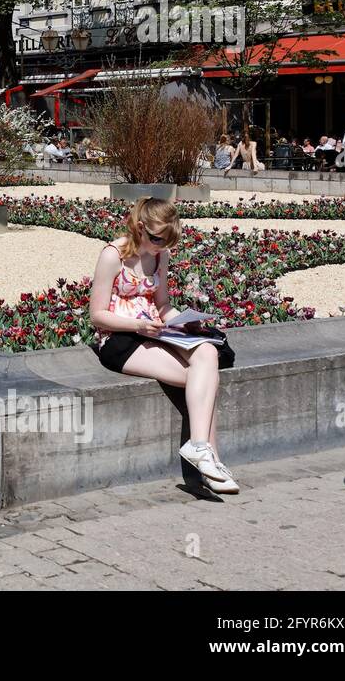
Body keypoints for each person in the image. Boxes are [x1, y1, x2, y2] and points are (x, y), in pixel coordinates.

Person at [89, 197, 238, 494]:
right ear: (140, 227)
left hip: (155, 331)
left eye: (168, 239)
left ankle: (201, 451)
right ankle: (210, 460)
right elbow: (97, 315)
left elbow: (163, 304)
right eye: (157, 238)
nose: (161, 245)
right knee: (203, 379)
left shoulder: (161, 255)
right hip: (120, 337)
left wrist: (184, 322)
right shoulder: (112, 255)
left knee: (207, 351)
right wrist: (137, 325)